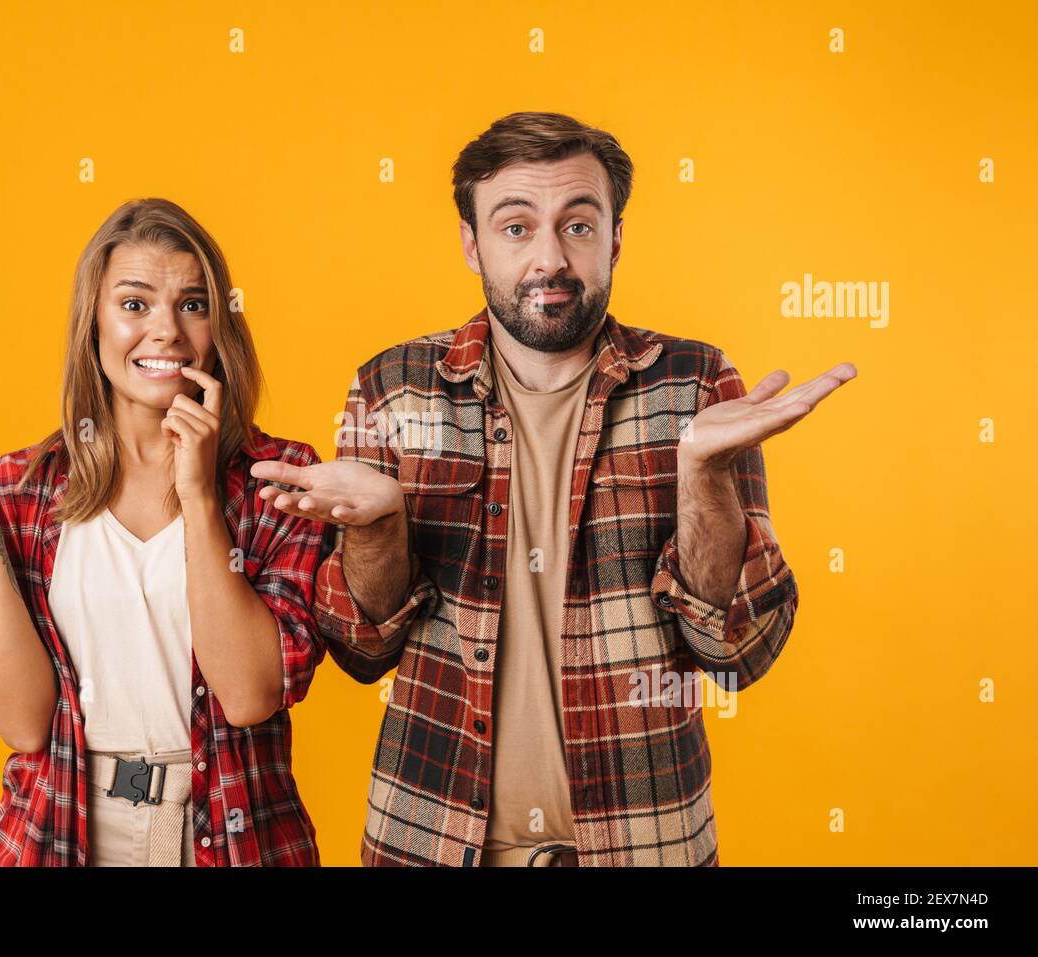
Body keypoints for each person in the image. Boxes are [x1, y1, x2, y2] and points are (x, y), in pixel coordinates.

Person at [252, 111, 857, 867]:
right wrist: (378, 527)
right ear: (472, 243)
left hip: (647, 846)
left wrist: (702, 472)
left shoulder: (697, 384)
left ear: (615, 238)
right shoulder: (392, 388)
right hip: (432, 842)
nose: (550, 257)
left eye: (578, 224)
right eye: (515, 227)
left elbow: (737, 648)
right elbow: (362, 648)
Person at [0, 197, 326, 866]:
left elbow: (246, 694)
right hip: (62, 830)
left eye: (192, 304)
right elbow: (23, 720)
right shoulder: (14, 491)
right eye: (133, 304)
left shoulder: (282, 479)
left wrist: (201, 494)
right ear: (92, 325)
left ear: (221, 326)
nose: (166, 332)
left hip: (230, 834)